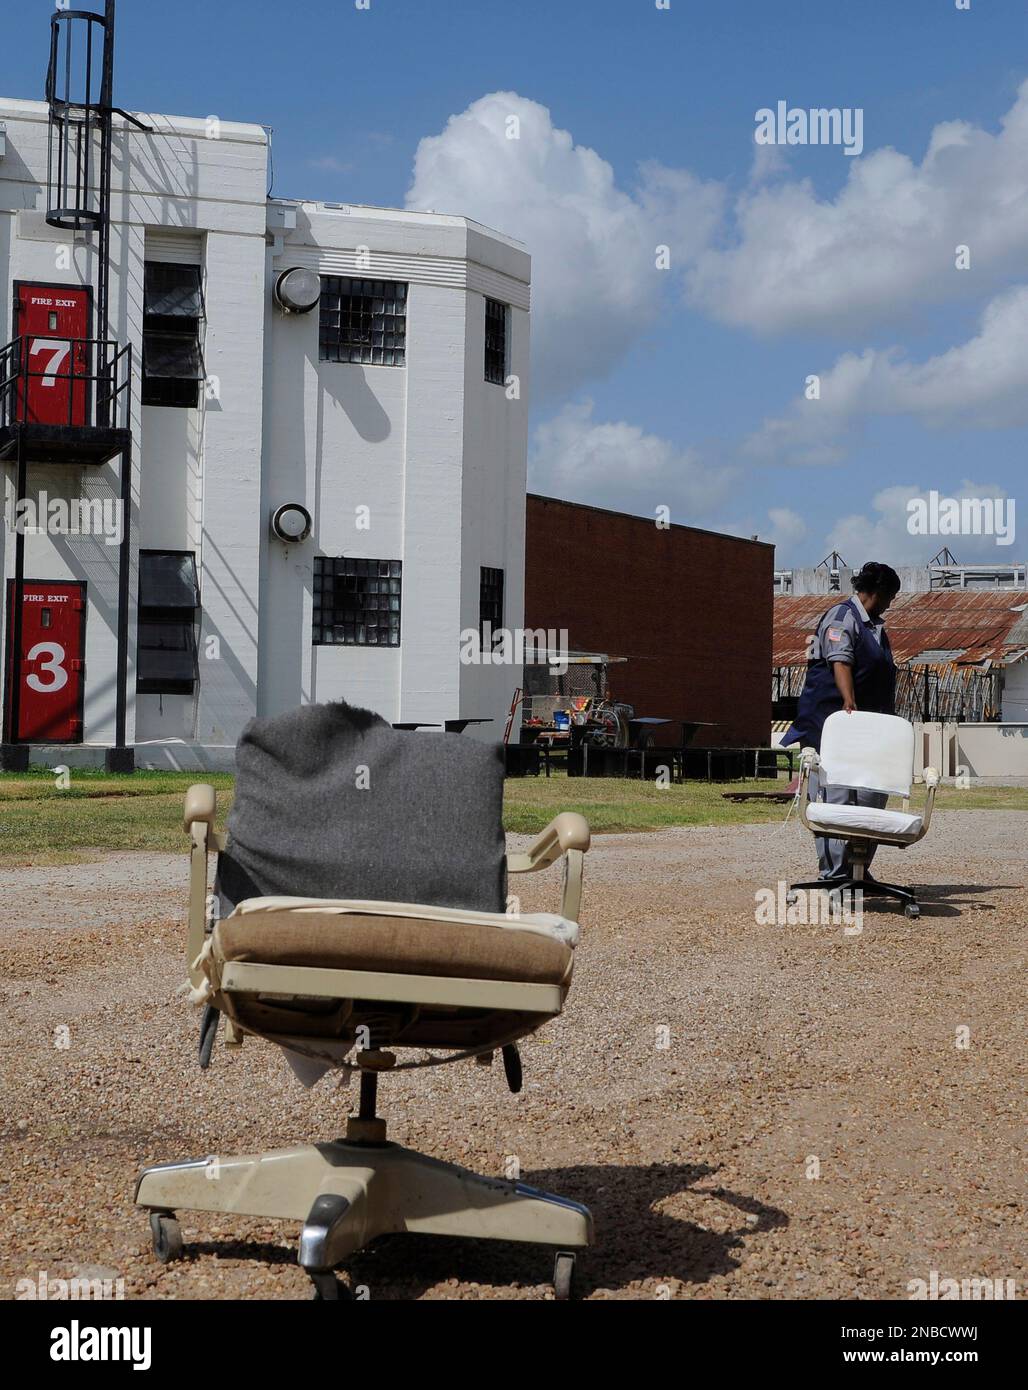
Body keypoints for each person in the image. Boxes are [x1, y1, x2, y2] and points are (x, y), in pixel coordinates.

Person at [782, 562, 901, 880]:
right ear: (878, 592)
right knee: (836, 799)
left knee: (869, 798)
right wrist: (849, 702)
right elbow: (840, 662)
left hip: (868, 731)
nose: (891, 603)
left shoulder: (876, 628)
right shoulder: (842, 617)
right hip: (833, 726)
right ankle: (834, 874)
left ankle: (859, 870)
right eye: (891, 596)